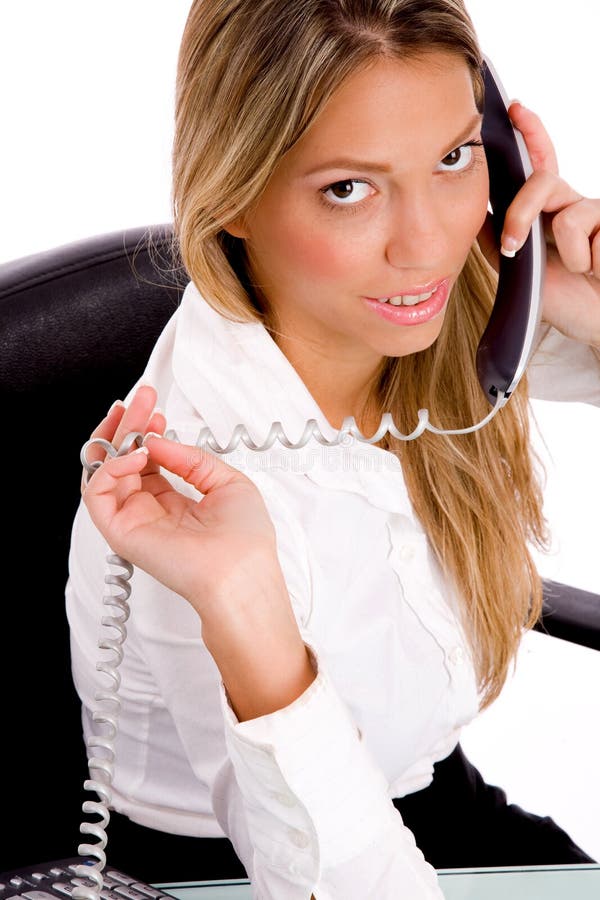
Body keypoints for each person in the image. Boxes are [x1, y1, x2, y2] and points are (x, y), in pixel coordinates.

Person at [66, 0, 600, 896]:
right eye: (349, 188)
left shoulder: (453, 311)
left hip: (426, 798)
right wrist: (245, 604)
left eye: (453, 157)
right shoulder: (200, 501)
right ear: (231, 193)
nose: (427, 245)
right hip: (243, 865)